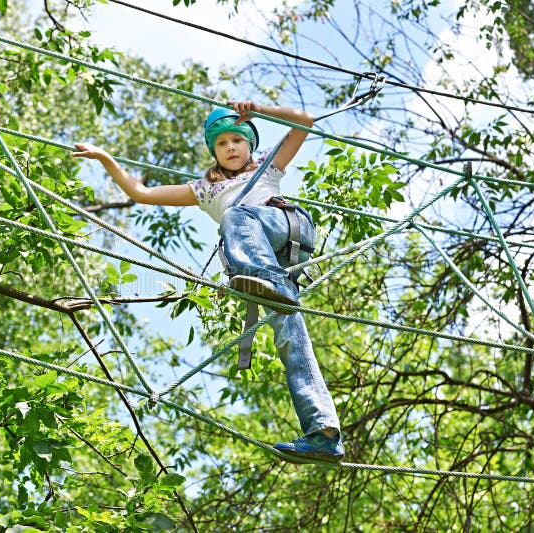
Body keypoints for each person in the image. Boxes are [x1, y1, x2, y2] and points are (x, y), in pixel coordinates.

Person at [72, 101, 343, 462]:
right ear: (213, 150)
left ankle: (265, 282)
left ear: (249, 144)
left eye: (237, 140)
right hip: (265, 267)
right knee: (288, 334)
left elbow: (305, 122)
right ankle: (323, 430)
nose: (230, 147)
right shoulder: (203, 189)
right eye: (221, 143)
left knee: (235, 215)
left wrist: (258, 110)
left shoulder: (267, 165)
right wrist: (106, 158)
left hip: (284, 229)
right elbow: (141, 194)